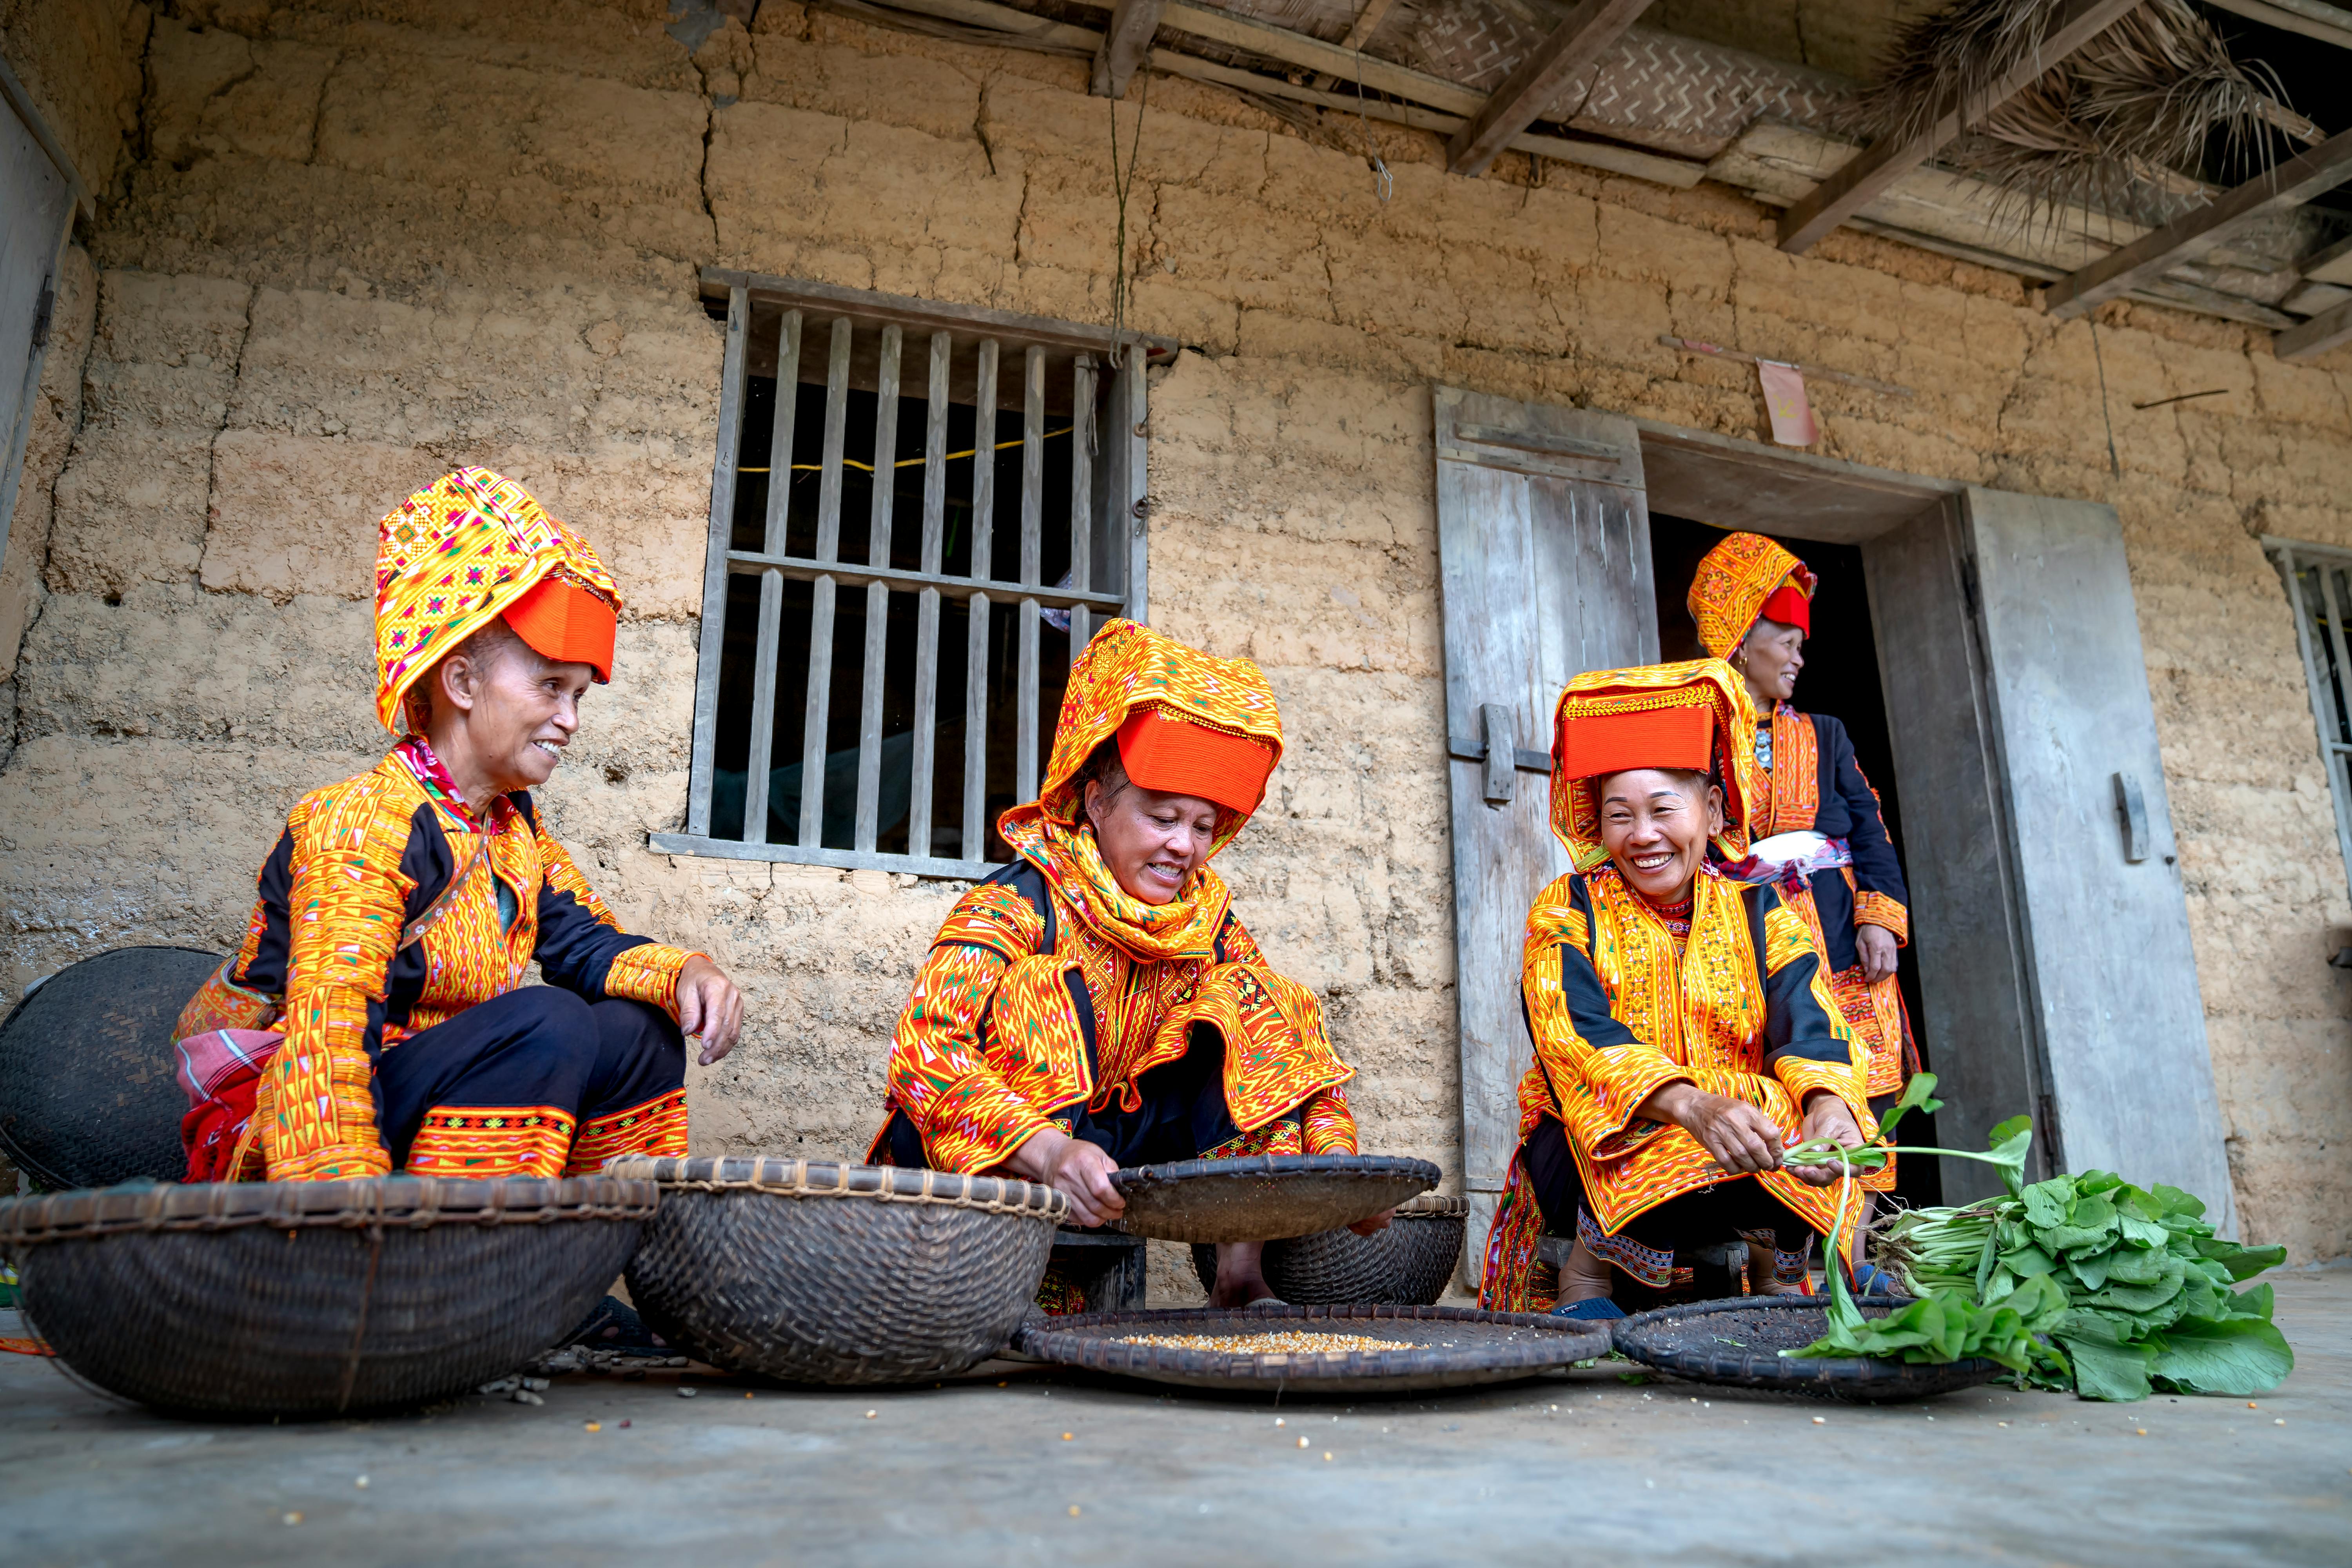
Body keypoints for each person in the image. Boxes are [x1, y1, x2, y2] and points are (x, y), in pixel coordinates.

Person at [173, 467, 743, 1183]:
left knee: (639, 1032)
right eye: (549, 688)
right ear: (463, 684)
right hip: (297, 1137)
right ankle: (449, 1267)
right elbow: (326, 1034)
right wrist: (335, 1213)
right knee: (550, 1021)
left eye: (577, 696)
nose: (569, 721)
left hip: (421, 1107)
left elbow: (584, 944)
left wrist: (687, 971)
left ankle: (582, 1246)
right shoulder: (362, 822)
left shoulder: (510, 833)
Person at [874, 619, 1375, 1309]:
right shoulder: (1016, 903)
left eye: (1203, 827)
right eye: (1162, 818)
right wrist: (1048, 1151)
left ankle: (1238, 1276)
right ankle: (1027, 1265)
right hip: (995, 1166)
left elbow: (1288, 1049)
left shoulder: (1206, 920)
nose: (1184, 847)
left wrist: (1338, 1165)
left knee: (1258, 997)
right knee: (1039, 994)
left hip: (1113, 1143)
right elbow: (923, 1056)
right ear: (1098, 801)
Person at [1478, 659, 1875, 1319]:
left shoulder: (1759, 909)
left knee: (1820, 1127)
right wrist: (1689, 1105)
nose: (1642, 836)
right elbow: (1572, 1034)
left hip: (1737, 1141)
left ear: (1713, 809)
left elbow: (1811, 1015)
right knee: (1641, 1120)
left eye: (1664, 810)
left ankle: (1776, 1273)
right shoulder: (1569, 907)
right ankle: (1588, 1275)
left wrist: (1829, 1107)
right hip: (1595, 1146)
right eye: (1619, 816)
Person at [1689, 532, 1915, 1116]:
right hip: (1740, 933)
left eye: (1800, 646)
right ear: (1741, 644)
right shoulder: (1697, 741)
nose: (1799, 659)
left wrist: (1880, 920)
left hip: (1839, 930)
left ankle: (1863, 1207)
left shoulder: (1827, 734)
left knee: (1864, 1077)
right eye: (1787, 642)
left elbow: (1870, 831)